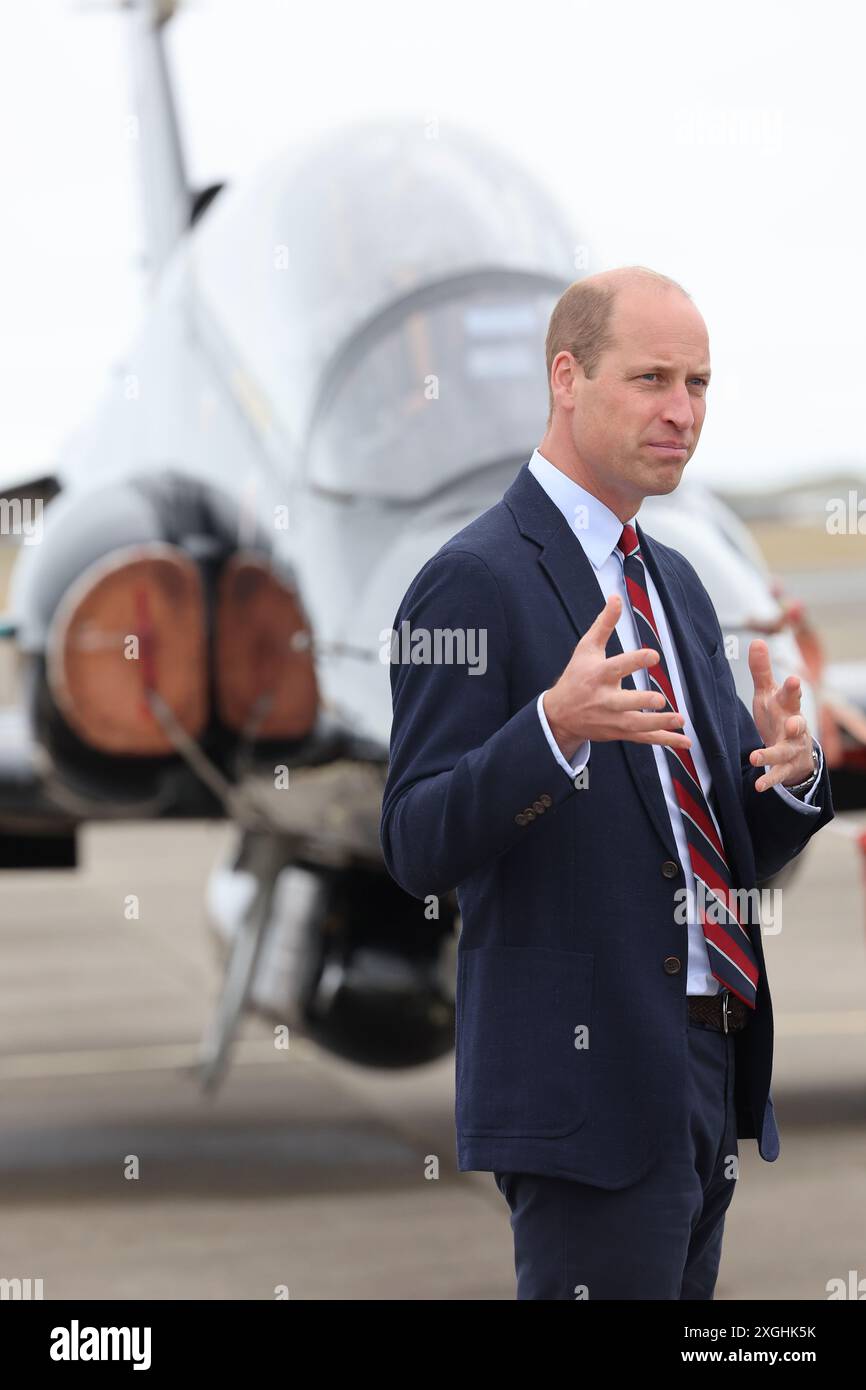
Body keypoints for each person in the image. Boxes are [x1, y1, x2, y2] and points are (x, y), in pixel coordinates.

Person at [379, 266, 834, 1300]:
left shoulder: (669, 581)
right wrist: (549, 730)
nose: (682, 412)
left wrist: (780, 783)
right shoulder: (472, 579)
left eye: (699, 384)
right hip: (583, 1091)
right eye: (651, 379)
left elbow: (703, 848)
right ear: (566, 378)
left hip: (706, 1068)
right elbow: (412, 840)